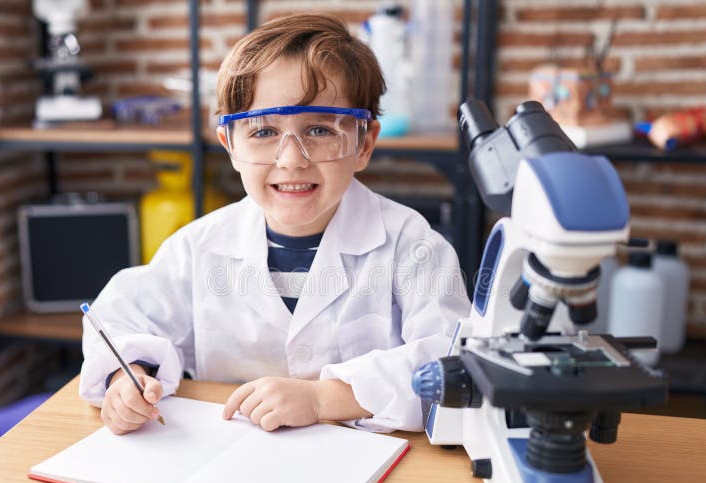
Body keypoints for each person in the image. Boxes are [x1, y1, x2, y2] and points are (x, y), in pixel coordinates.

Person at [80, 13, 470, 435]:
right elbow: (125, 319)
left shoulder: (411, 245)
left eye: (320, 128)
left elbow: (453, 363)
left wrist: (324, 398)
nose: (291, 159)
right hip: (234, 467)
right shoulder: (199, 247)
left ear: (364, 143)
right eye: (263, 132)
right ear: (230, 145)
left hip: (365, 471)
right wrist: (128, 377)